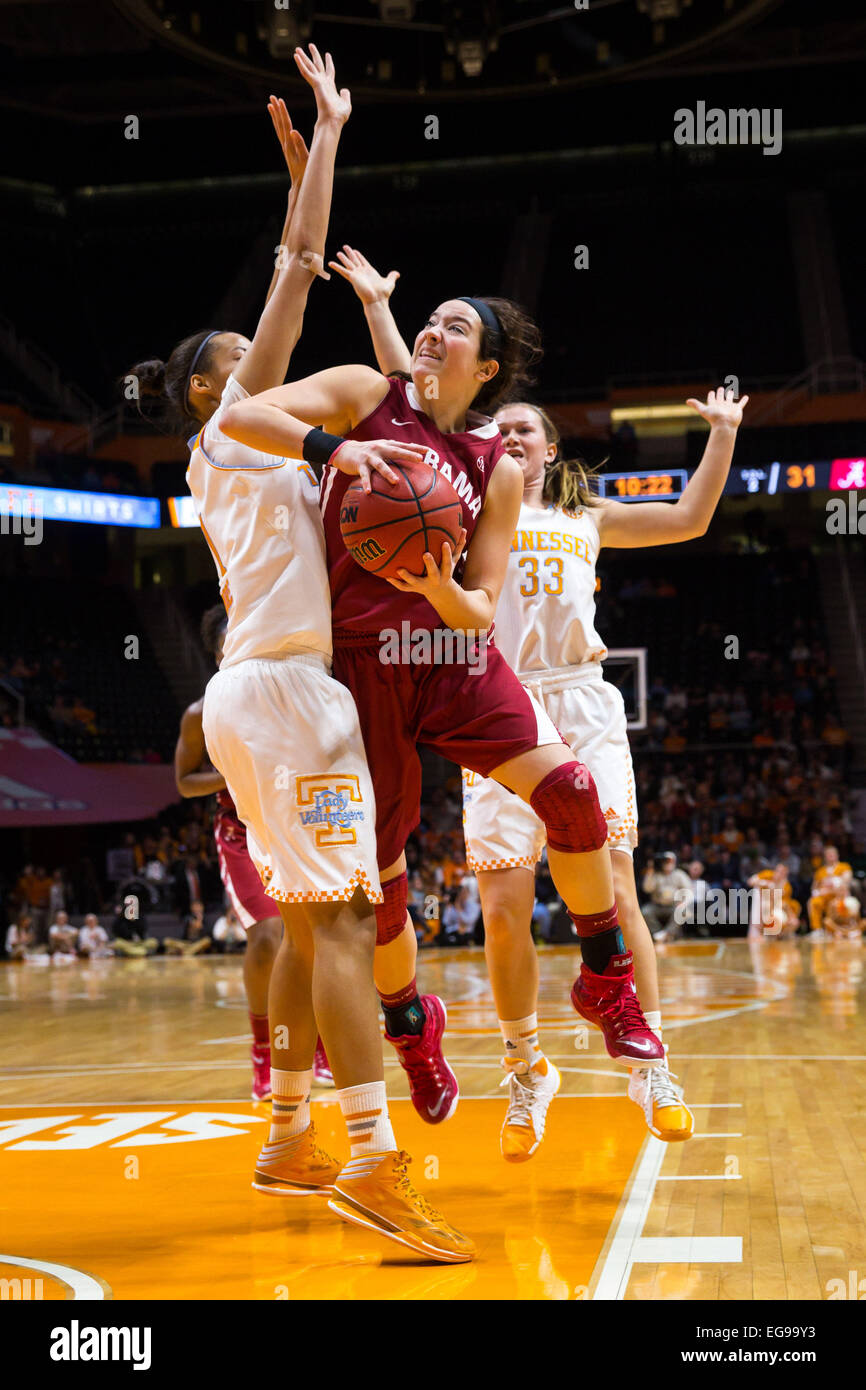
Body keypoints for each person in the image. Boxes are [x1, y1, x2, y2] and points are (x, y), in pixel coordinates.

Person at [131, 48, 471, 1262]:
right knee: (344, 919)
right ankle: (376, 1162)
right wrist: (325, 136)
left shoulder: (234, 434)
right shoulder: (232, 431)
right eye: (242, 351)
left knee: (298, 919)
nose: (262, 350)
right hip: (285, 690)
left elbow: (293, 270)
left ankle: (286, 1130)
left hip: (251, 695)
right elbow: (284, 299)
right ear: (210, 387)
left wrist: (319, 151)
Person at [218, 261, 667, 1146]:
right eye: (428, 319)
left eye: (454, 327)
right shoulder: (360, 393)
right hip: (359, 667)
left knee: (573, 793)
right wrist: (331, 449)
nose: (432, 332)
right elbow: (238, 417)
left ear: (486, 369)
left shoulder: (497, 468)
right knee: (380, 894)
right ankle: (411, 1028)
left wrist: (440, 586)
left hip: (452, 650)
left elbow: (483, 601)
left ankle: (604, 980)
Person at [175, 602, 323, 1100]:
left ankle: (317, 1045)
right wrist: (237, 771)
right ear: (217, 654)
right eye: (223, 646)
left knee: (317, 939)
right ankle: (264, 1053)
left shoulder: (283, 696)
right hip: (241, 834)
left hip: (292, 825)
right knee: (267, 937)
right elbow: (184, 782)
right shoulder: (201, 713)